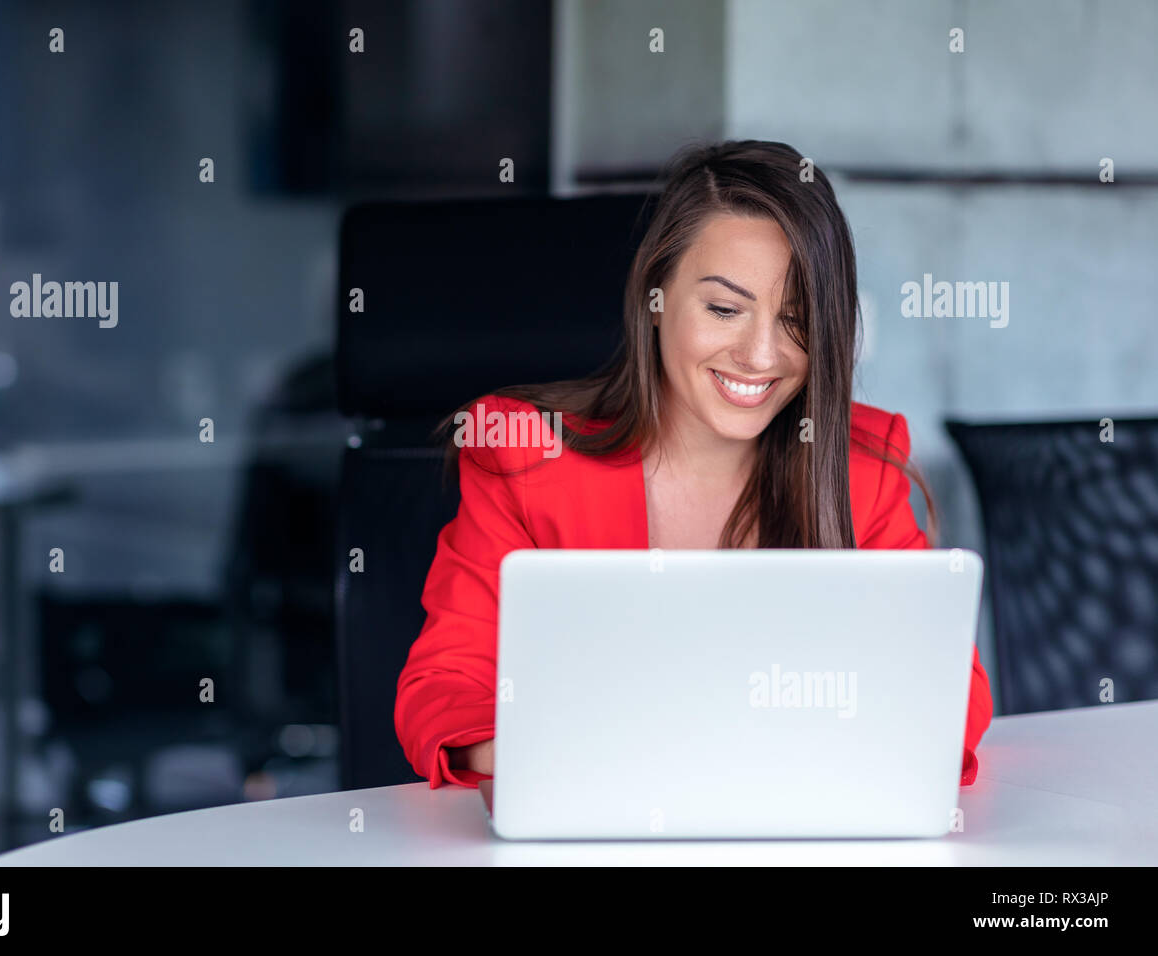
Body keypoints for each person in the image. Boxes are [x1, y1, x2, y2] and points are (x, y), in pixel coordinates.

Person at [394, 139, 993, 791]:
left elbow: (949, 695)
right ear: (656, 297)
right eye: (725, 309)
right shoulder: (524, 455)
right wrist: (570, 764)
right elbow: (446, 690)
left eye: (796, 320)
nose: (761, 355)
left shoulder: (860, 468)